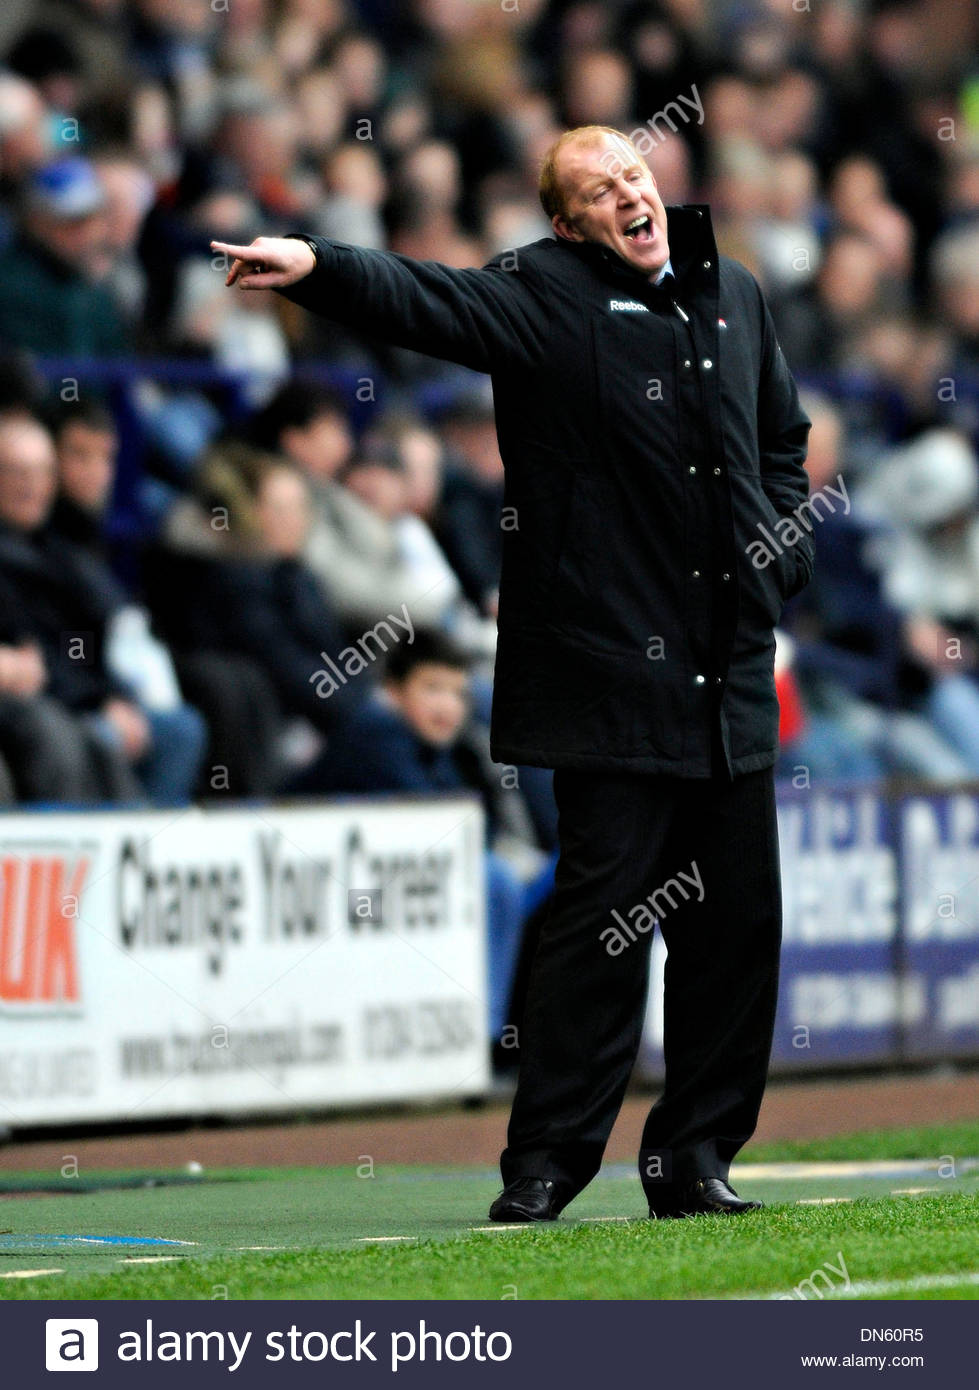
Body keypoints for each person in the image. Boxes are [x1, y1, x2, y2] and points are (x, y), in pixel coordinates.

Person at [213, 123, 814, 1222]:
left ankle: (694, 1158)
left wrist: (785, 545)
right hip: (605, 673)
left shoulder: (736, 296)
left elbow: (783, 437)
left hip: (725, 675)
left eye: (633, 174)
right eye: (598, 190)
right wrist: (317, 263)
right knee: (599, 932)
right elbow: (428, 300)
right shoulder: (541, 294)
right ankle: (544, 1166)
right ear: (566, 223)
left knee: (736, 933)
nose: (628, 195)